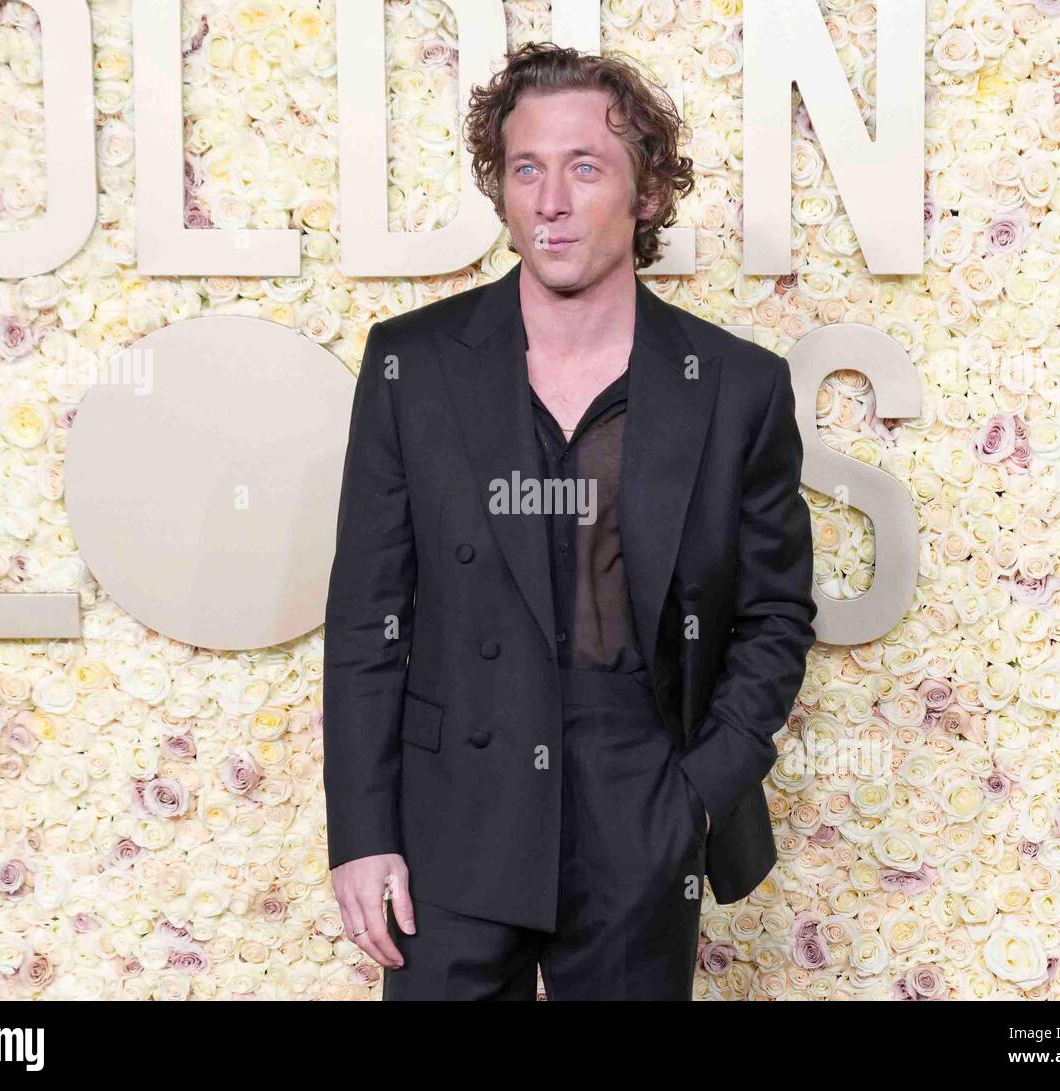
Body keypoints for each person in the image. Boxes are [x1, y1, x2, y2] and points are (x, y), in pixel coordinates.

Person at [324, 42, 817, 1000]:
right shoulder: (410, 366)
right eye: (526, 168)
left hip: (639, 821)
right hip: (448, 833)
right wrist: (364, 834)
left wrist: (696, 797)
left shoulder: (734, 387)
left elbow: (775, 616)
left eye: (585, 167)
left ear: (646, 194)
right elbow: (365, 619)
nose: (550, 199)